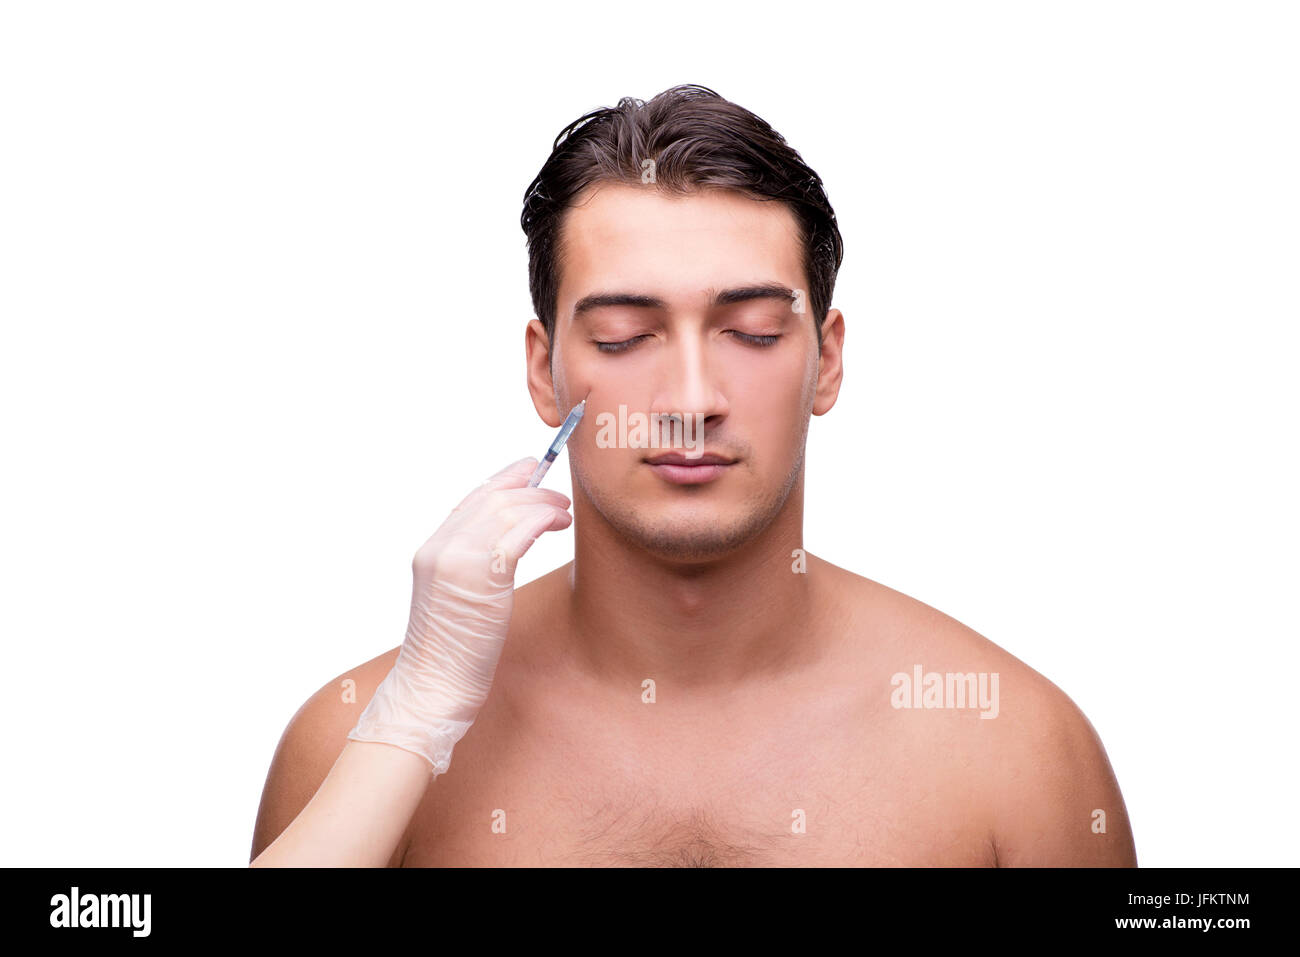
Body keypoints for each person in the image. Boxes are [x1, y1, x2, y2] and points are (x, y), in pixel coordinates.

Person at [250, 84, 1137, 867]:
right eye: (623, 338)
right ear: (543, 369)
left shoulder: (1014, 751)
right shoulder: (359, 741)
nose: (689, 397)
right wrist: (411, 722)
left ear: (826, 362)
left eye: (751, 329)